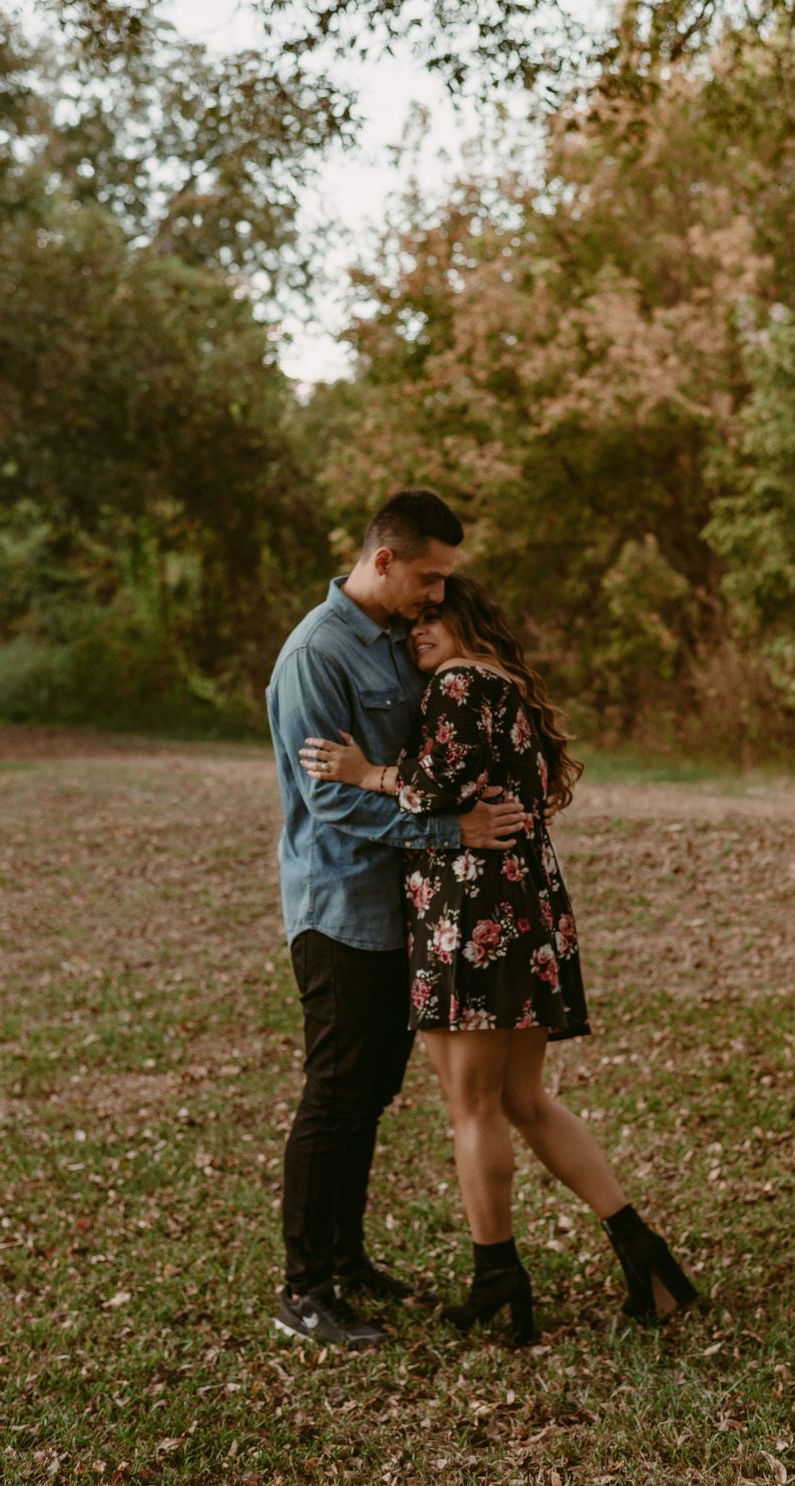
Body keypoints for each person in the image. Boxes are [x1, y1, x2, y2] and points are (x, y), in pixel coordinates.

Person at [300, 574, 698, 1345]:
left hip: (470, 912)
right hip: (519, 906)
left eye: (436, 616)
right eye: (415, 620)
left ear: (470, 620)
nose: (419, 629)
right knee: (524, 1100)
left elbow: (434, 785)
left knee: (474, 1107)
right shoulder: (504, 686)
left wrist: (364, 773)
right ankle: (643, 1254)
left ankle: (498, 1279)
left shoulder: (457, 685)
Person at [266, 491, 528, 1349]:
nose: (436, 595)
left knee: (371, 1094)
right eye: (428, 577)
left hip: (407, 908)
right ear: (383, 560)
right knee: (336, 1094)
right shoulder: (316, 654)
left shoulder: (398, 639)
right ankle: (305, 1289)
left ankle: (347, 1261)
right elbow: (332, 800)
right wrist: (452, 831)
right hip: (341, 907)